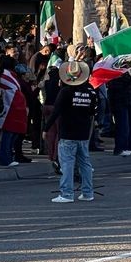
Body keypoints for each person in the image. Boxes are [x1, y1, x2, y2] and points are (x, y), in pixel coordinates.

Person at [44, 61, 98, 203]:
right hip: (83, 132)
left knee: (67, 163)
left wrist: (46, 128)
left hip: (68, 132)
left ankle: (67, 193)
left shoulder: (66, 92)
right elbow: (93, 111)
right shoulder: (91, 91)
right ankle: (88, 192)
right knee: (85, 163)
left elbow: (56, 112)